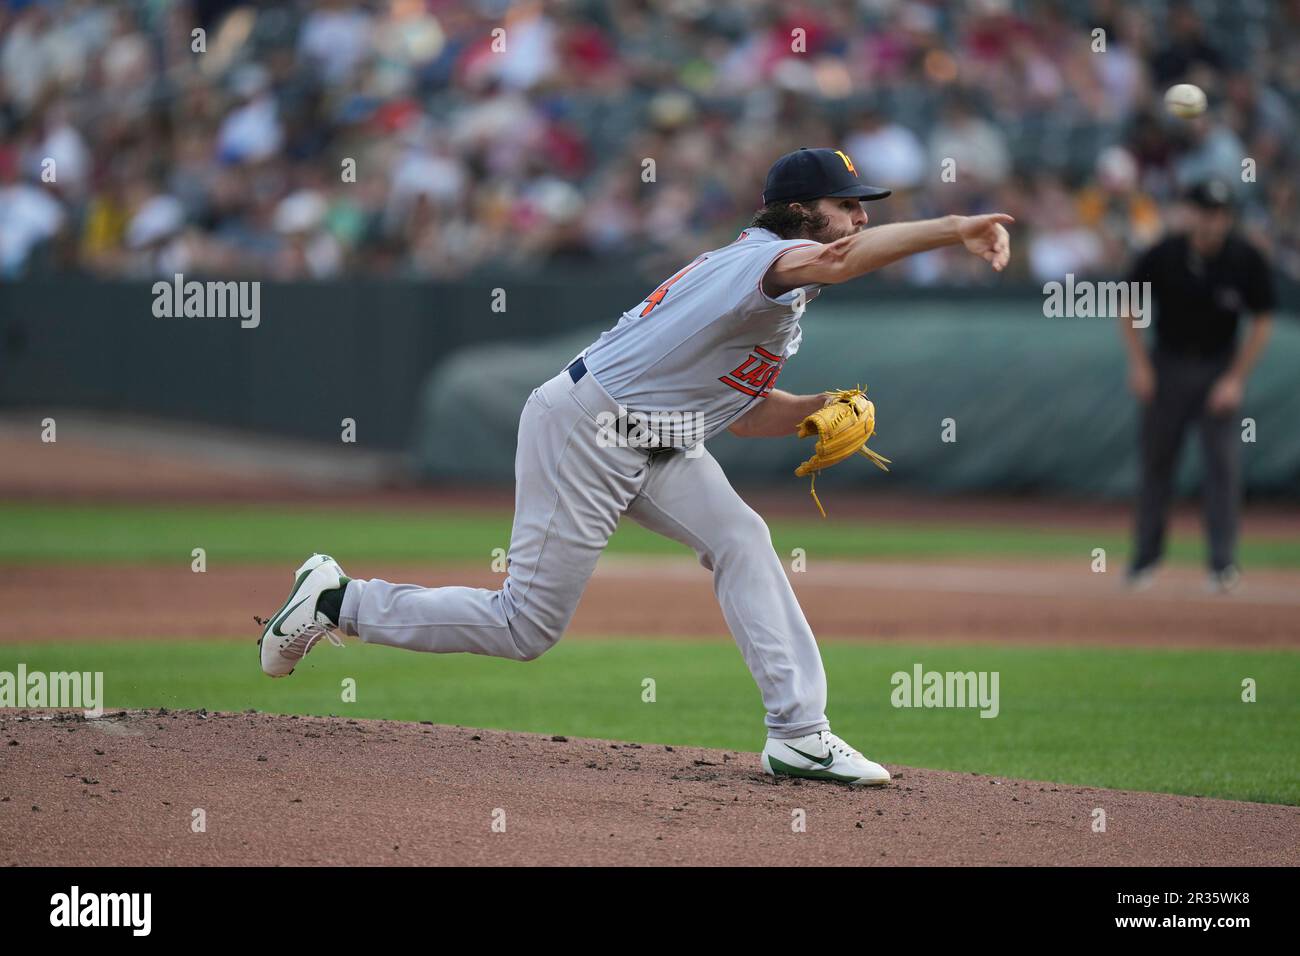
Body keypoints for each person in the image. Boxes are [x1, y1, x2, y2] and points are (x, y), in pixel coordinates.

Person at [257, 147, 1013, 785]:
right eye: (848, 204)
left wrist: (813, 410)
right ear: (801, 212)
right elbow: (846, 260)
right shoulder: (762, 263)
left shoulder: (767, 287)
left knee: (741, 538)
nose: (861, 216)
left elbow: (741, 414)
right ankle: (336, 602)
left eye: (863, 204)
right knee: (525, 627)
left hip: (664, 435)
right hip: (587, 431)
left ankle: (799, 732)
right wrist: (953, 227)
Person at [1119, 179, 1275, 592]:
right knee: (1156, 464)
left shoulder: (1244, 258)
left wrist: (1236, 378)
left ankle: (1222, 565)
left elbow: (1263, 319)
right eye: (1205, 212)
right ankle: (1144, 561)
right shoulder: (1164, 254)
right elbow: (1126, 302)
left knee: (1221, 467)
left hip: (1217, 367)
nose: (1212, 222)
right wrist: (1139, 365)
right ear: (1191, 214)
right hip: (1167, 365)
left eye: (1220, 214)